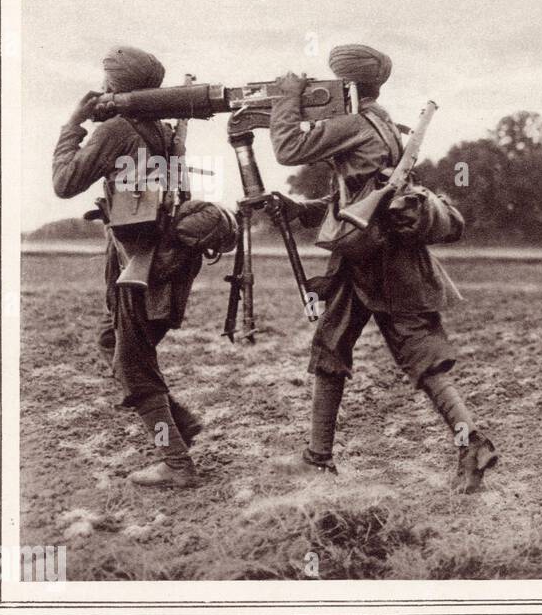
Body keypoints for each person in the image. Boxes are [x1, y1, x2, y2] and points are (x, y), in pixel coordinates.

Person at [266, 43, 498, 493]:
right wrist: (303, 209)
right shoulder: (384, 124)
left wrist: (287, 98)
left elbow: (288, 147)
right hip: (381, 255)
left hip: (371, 260)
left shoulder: (353, 124)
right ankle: (322, 457)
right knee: (380, 352)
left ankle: (323, 459)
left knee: (362, 352)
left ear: (346, 87)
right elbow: (356, 197)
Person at [51, 45, 212, 488]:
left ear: (114, 88)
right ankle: (177, 422)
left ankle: (176, 463)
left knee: (132, 365)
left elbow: (65, 183)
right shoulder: (161, 131)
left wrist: (73, 124)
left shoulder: (117, 131)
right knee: (112, 340)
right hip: (160, 257)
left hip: (140, 261)